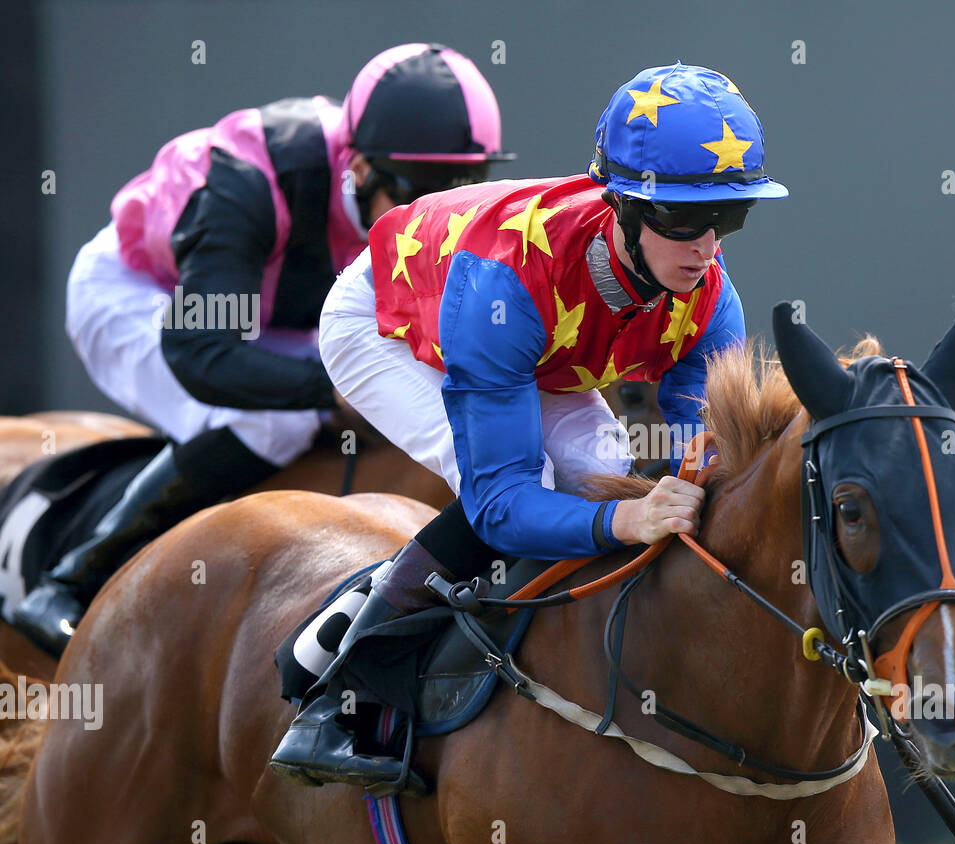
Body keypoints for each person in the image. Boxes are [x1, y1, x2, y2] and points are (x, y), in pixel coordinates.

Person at [269, 62, 787, 788]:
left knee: (602, 472)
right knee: (532, 492)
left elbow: (703, 457)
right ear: (623, 207)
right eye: (681, 220)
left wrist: (670, 490)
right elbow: (502, 503)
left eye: (727, 217)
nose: (705, 247)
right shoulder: (506, 281)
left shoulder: (709, 297)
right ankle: (338, 693)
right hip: (387, 321)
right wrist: (626, 519)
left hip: (542, 346)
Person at [14, 43, 513, 653]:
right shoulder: (248, 182)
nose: (435, 217)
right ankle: (69, 580)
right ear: (358, 169)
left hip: (274, 307)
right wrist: (327, 391)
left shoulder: (383, 182)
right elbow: (203, 353)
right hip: (146, 295)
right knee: (269, 418)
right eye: (419, 192)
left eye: (460, 190)